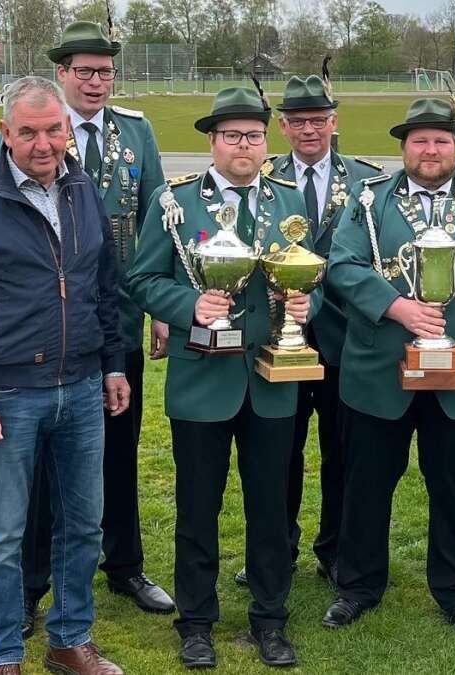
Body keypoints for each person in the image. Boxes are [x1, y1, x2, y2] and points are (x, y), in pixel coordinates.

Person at [0, 76, 128, 675]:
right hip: (9, 395)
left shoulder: (85, 193)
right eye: (28, 132)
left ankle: (70, 640)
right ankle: (2, 655)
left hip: (84, 386)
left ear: (68, 130)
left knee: (83, 526)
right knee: (4, 534)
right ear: (4, 133)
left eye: (52, 130)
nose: (42, 144)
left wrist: (113, 364)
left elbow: (103, 288)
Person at [0, 20, 173, 636]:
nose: (96, 81)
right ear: (61, 74)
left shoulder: (135, 133)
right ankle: (34, 582)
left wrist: (161, 312)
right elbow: (0, 214)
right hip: (41, 329)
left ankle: (125, 566)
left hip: (114, 322)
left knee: (116, 452)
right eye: (84, 71)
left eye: (106, 72)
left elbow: (157, 224)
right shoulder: (26, 130)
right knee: (38, 462)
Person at [321, 98, 455, 635]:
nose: (429, 150)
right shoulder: (369, 202)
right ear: (404, 147)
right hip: (378, 370)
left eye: (440, 140)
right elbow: (341, 266)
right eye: (419, 140)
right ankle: (359, 585)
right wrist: (397, 307)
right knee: (365, 484)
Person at [127, 86, 317, 669]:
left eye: (254, 135)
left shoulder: (290, 203)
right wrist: (189, 306)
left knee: (270, 508)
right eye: (232, 135)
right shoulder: (176, 202)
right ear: (212, 141)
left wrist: (307, 307)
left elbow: (312, 276)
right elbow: (140, 279)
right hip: (202, 379)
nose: (245, 145)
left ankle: (269, 617)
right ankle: (197, 621)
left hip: (270, 377)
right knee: (197, 506)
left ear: (267, 142)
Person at [231, 73, 384, 589]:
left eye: (318, 120)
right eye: (297, 121)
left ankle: (336, 549)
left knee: (343, 449)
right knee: (278, 450)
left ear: (333, 122)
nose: (309, 130)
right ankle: (275, 549)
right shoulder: (264, 178)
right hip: (279, 336)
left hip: (346, 338)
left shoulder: (365, 179)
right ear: (283, 125)